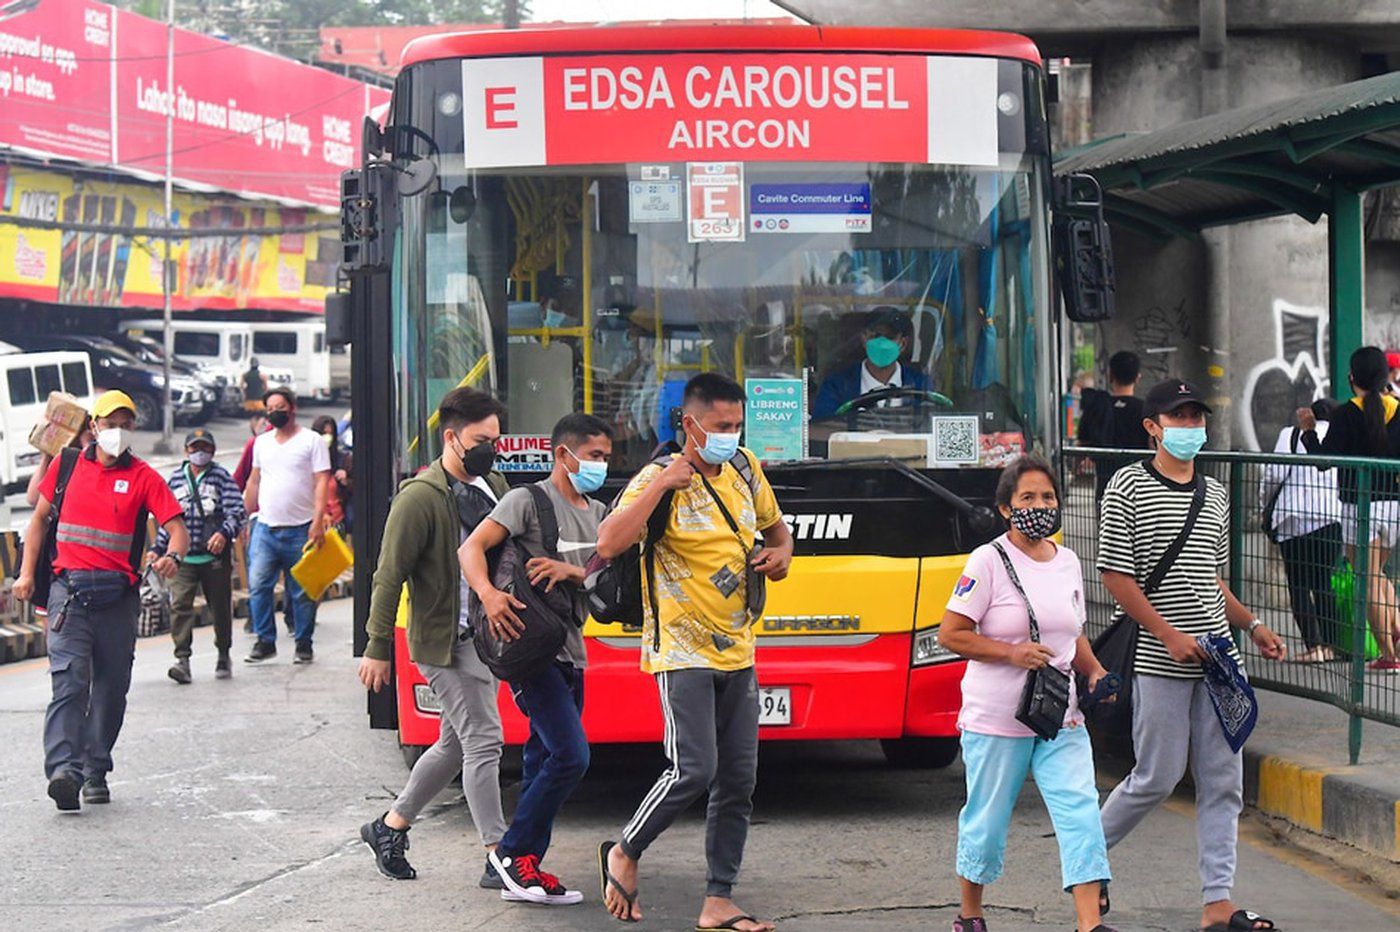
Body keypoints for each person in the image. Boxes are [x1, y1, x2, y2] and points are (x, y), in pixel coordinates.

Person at [597, 372, 794, 932]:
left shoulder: (744, 467)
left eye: (737, 425)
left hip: (739, 649)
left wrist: (783, 555)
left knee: (739, 779)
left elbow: (779, 535)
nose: (732, 435)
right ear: (690, 424)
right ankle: (625, 852)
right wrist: (664, 486)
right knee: (693, 768)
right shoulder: (656, 477)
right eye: (721, 426)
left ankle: (719, 898)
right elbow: (609, 543)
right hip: (680, 650)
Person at [1097, 378, 1286, 932]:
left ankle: (1217, 903)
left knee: (1223, 780)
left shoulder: (1217, 493)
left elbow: (1210, 576)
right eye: (1177, 418)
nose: (1189, 427)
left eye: (1195, 417)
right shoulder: (1127, 486)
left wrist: (1251, 624)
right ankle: (1087, 861)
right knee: (1155, 776)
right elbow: (1115, 575)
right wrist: (1169, 636)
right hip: (1161, 661)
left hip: (1220, 660)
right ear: (1152, 427)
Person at [938, 455, 1116, 932]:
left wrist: (1095, 671)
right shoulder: (987, 561)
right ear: (1005, 508)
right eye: (1028, 498)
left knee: (1080, 810)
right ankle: (970, 913)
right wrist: (1010, 653)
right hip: (998, 716)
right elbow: (951, 634)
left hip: (1060, 713)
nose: (1040, 506)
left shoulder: (1068, 561)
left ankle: (1088, 924)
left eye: (1048, 497)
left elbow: (1071, 633)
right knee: (988, 821)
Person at [357, 387, 510, 887]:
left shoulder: (495, 486)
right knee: (485, 741)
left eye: (495, 439)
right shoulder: (420, 497)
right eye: (480, 439)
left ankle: (389, 826)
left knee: (454, 744)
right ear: (451, 437)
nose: (490, 449)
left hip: (484, 639)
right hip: (445, 643)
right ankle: (498, 856)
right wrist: (377, 647)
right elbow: (387, 575)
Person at [460, 413, 613, 906]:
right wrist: (487, 595)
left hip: (572, 649)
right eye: (593, 457)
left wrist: (572, 572)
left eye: (606, 457)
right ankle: (511, 854)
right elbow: (472, 549)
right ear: (563, 455)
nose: (601, 466)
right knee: (572, 755)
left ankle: (524, 870)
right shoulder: (526, 500)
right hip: (531, 649)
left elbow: (607, 582)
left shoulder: (601, 512)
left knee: (542, 756)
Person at [13, 390, 188, 811]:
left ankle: (95, 769)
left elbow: (176, 527)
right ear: (94, 426)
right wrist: (23, 574)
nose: (120, 432)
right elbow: (37, 521)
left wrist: (172, 556)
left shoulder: (144, 476)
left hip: (117, 600)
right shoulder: (67, 465)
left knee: (111, 689)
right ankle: (64, 772)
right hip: (68, 597)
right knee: (70, 684)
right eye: (112, 424)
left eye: (128, 425)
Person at [1298, 346, 1400, 672]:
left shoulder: (1345, 413)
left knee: (1365, 578)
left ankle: (1388, 655)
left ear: (1351, 377)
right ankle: (1395, 628)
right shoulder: (1397, 408)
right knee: (1377, 574)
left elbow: (1324, 462)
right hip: (1394, 507)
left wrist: (1308, 432)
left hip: (1360, 507)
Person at [243, 388, 331, 665]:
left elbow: (321, 482)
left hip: (301, 529)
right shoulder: (262, 443)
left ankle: (303, 643)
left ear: (292, 408)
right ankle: (265, 640)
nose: (274, 412)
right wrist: (245, 515)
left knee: (303, 591)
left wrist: (318, 521)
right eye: (270, 408)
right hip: (265, 528)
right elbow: (254, 480)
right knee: (258, 586)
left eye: (280, 407)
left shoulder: (312, 441)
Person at [154, 428, 247, 684]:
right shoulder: (175, 480)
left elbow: (237, 512)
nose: (199, 453)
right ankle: (182, 659)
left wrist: (223, 534)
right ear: (186, 451)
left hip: (214, 558)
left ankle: (223, 652)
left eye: (204, 448)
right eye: (194, 448)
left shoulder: (221, 478)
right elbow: (168, 521)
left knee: (219, 606)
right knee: (180, 605)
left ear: (213, 451)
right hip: (182, 558)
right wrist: (158, 548)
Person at [1261, 400, 1342, 663]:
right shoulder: (1340, 434)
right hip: (1331, 516)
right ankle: (1330, 645)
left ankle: (1313, 646)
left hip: (1293, 518)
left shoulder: (1291, 434)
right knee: (1323, 582)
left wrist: (1265, 505)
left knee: (1298, 584)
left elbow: (1274, 475)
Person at [812, 306, 931, 418]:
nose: (882, 342)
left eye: (890, 336)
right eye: (876, 335)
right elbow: (823, 428)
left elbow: (931, 424)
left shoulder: (921, 385)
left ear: (903, 344)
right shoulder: (836, 385)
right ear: (864, 339)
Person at [1077, 351, 1152, 500]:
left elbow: (1082, 441)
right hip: (1138, 487)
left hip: (1106, 486)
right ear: (1138, 378)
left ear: (1110, 375)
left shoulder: (1096, 407)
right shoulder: (1146, 410)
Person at [312, 415, 348, 528]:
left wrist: (346, 480)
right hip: (315, 518)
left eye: (330, 434)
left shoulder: (342, 459)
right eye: (323, 434)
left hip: (337, 518)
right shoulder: (307, 461)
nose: (327, 438)